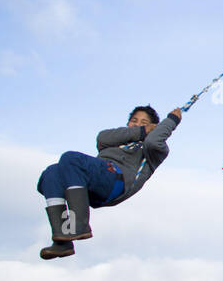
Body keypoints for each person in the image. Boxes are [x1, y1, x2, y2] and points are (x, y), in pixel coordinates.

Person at [36, 105, 182, 259]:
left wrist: (171, 121)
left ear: (154, 127)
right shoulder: (113, 141)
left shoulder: (153, 151)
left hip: (116, 181)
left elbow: (153, 141)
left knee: (70, 158)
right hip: (92, 187)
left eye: (144, 122)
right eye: (134, 120)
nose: (138, 124)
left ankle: (79, 225)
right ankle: (62, 241)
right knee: (51, 173)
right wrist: (142, 130)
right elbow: (102, 137)